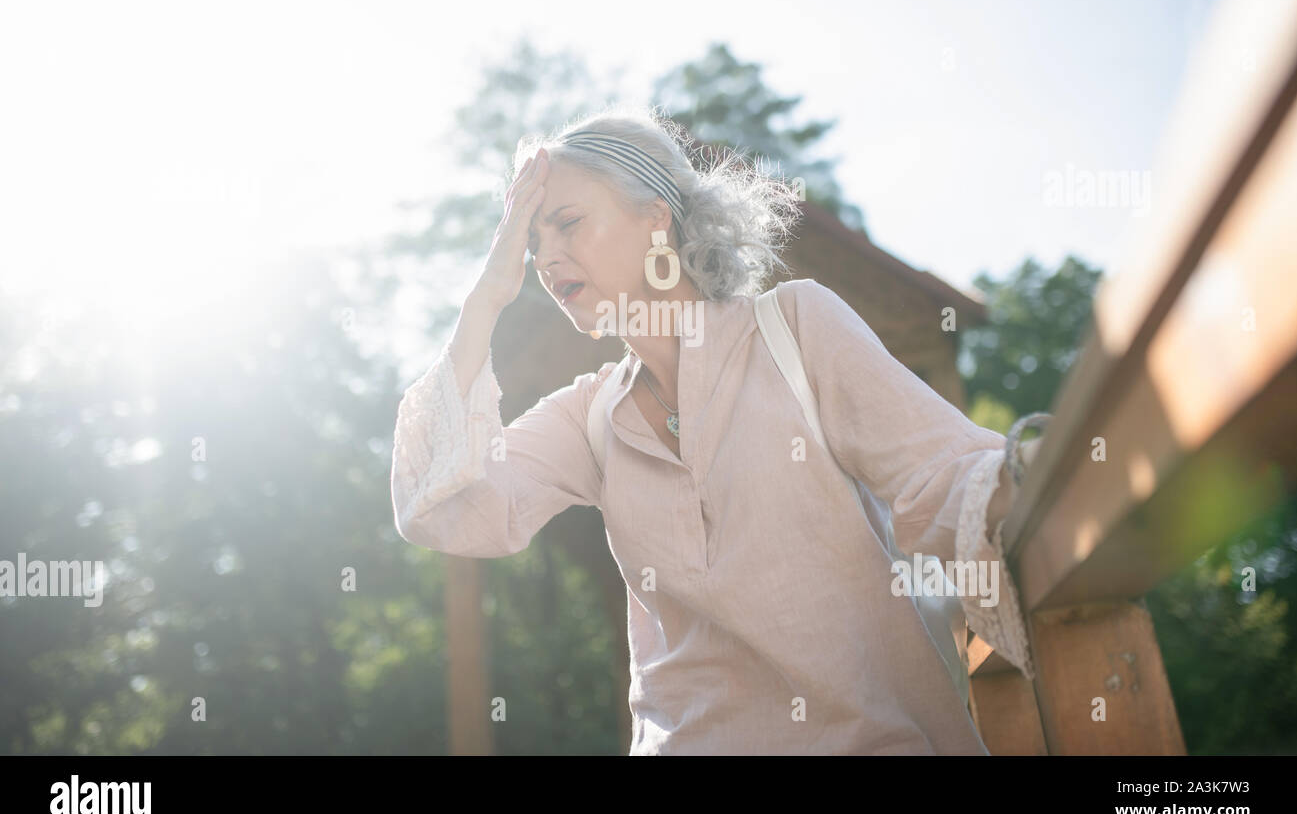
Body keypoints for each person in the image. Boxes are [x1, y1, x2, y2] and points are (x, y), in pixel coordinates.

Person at [390, 105, 1041, 754]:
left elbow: (950, 477)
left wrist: (1036, 472)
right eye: (531, 244)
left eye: (566, 223)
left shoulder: (796, 329)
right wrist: (485, 299)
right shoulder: (585, 418)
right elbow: (438, 509)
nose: (544, 259)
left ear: (656, 218)